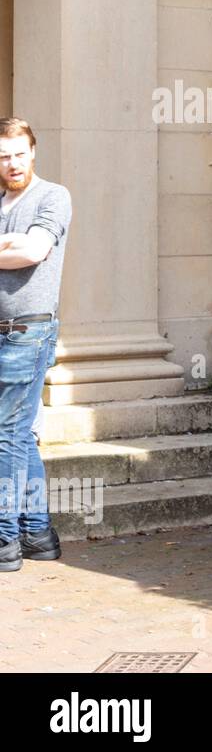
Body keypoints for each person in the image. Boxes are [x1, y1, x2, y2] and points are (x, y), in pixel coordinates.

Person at [0, 119, 71, 571]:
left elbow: (33, 251)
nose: (12, 163)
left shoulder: (53, 196)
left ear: (33, 152)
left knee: (5, 435)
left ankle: (4, 538)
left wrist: (18, 244)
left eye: (18, 154)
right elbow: (14, 248)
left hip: (28, 331)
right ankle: (37, 533)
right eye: (4, 156)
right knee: (20, 434)